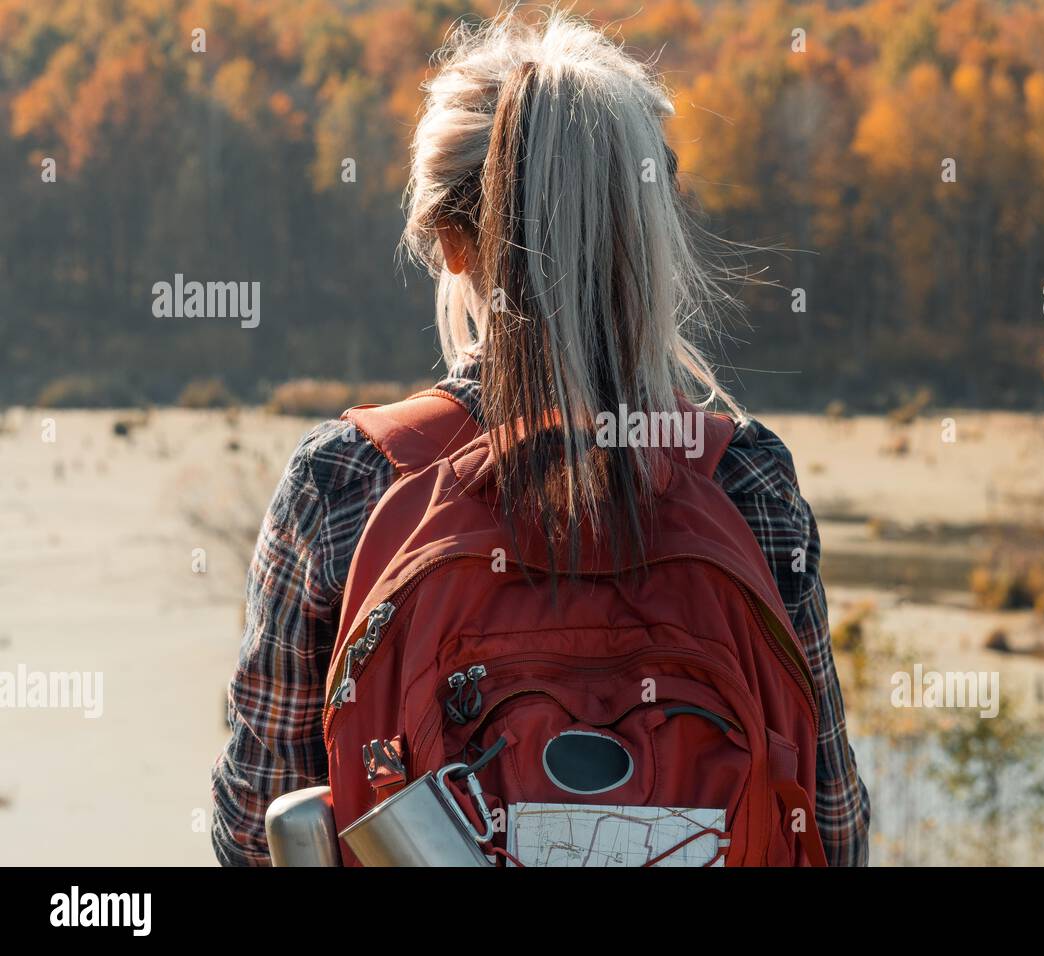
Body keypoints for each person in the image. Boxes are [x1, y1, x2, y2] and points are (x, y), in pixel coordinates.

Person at [210, 8, 869, 867]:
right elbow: (833, 828)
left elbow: (254, 827)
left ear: (449, 240)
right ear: (651, 235)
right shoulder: (745, 482)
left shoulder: (346, 482)